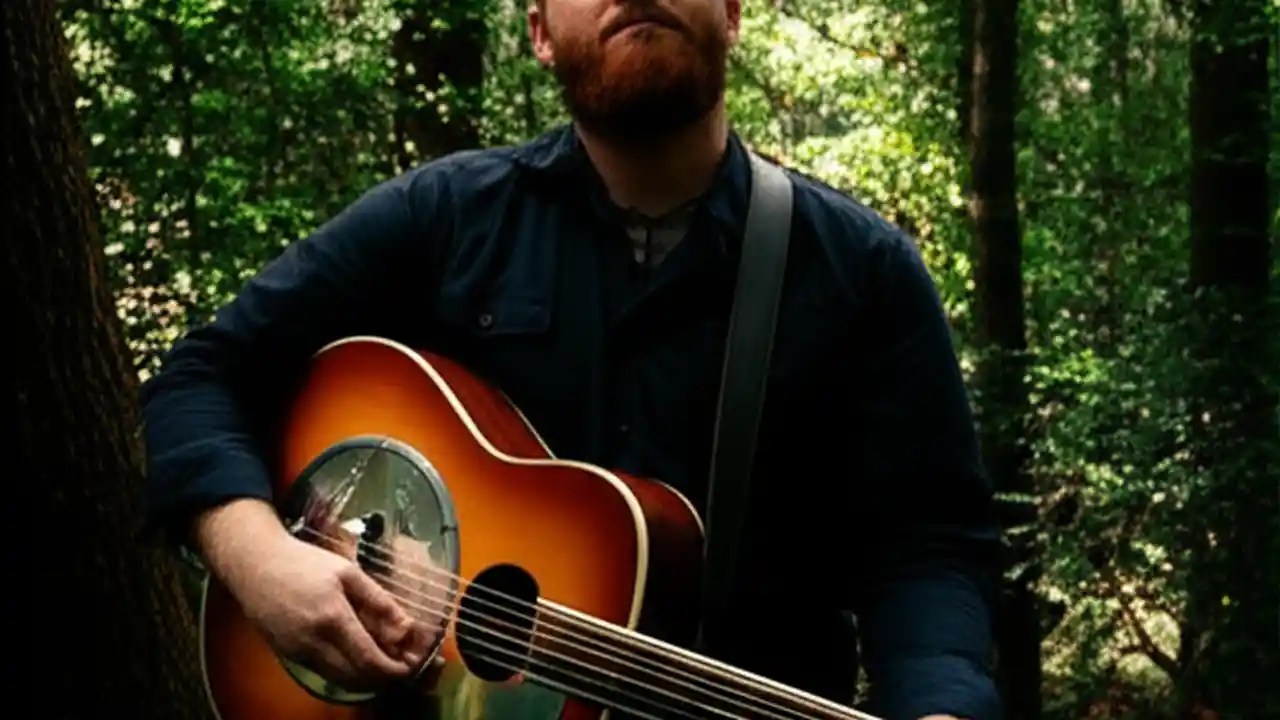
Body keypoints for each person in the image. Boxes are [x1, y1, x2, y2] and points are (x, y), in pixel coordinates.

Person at [139, 1, 1005, 718]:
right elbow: (199, 379)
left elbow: (927, 547)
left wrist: (941, 702)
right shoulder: (441, 219)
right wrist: (263, 561)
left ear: (734, 14)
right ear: (541, 32)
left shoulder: (864, 273)